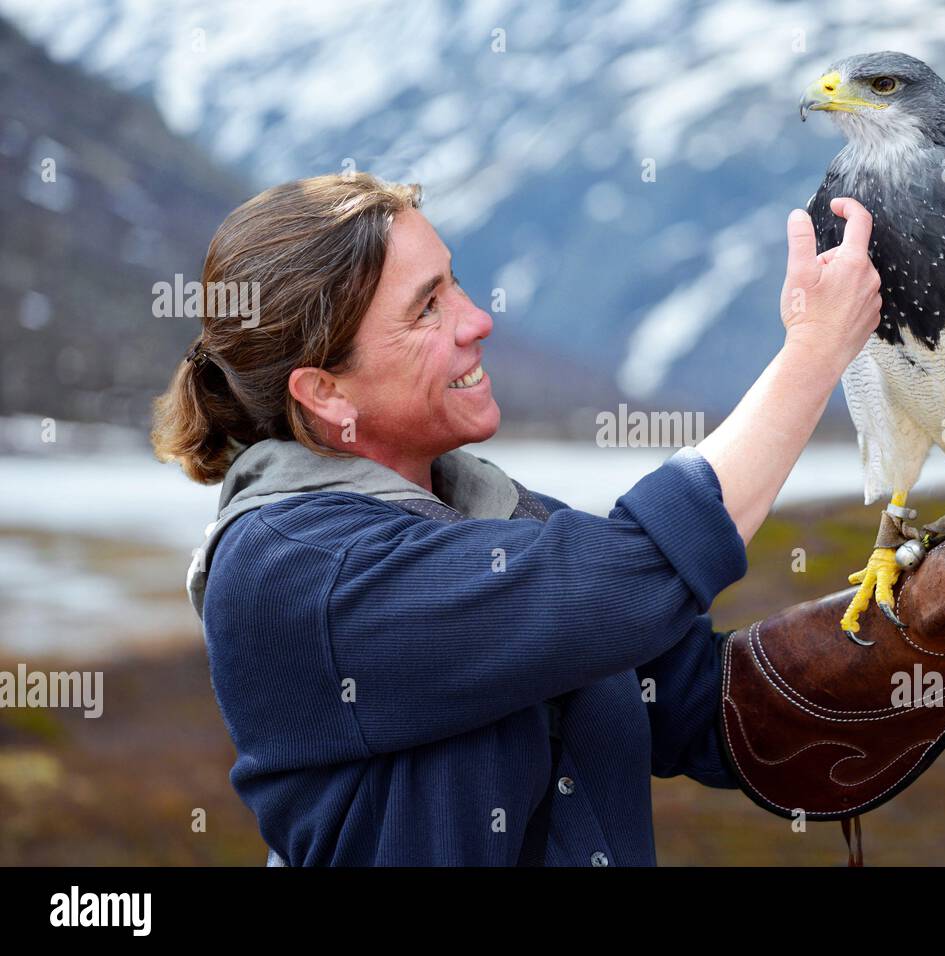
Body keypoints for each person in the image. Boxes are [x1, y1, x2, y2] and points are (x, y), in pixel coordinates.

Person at [152, 172, 882, 866]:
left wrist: (943, 642)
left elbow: (705, 701)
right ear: (325, 392)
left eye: (456, 282)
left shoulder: (491, 513)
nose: (478, 320)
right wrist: (814, 353)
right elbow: (632, 585)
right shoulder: (300, 568)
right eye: (426, 306)